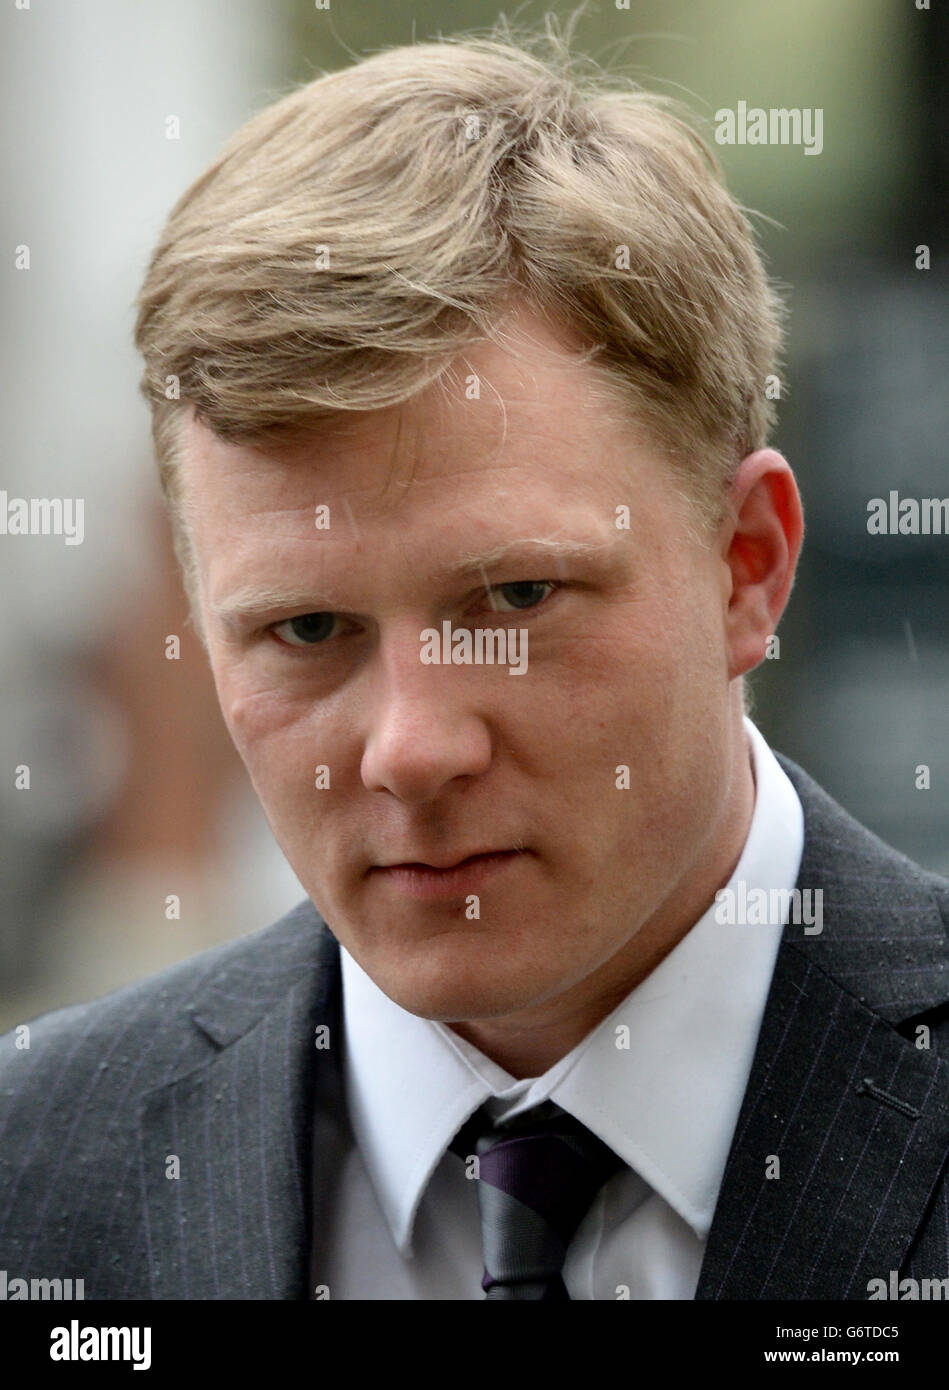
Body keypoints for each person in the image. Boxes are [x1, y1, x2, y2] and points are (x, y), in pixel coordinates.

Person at [2, 26, 948, 1302]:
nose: (410, 746)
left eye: (514, 596)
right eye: (306, 631)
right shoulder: (36, 1181)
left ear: (747, 565)